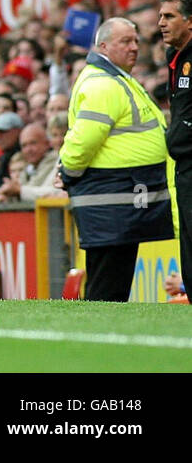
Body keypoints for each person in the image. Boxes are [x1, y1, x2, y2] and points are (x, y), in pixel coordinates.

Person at [60, 17, 173, 302]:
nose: (134, 47)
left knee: (113, 278)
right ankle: (94, 340)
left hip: (118, 199)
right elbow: (83, 139)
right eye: (125, 41)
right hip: (112, 198)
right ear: (104, 46)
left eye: (136, 41)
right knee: (109, 285)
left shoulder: (114, 78)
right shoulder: (104, 85)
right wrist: (68, 172)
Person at [158, 0, 192, 284]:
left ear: (190, 21)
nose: (161, 22)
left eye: (169, 16)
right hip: (184, 165)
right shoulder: (176, 57)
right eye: (160, 16)